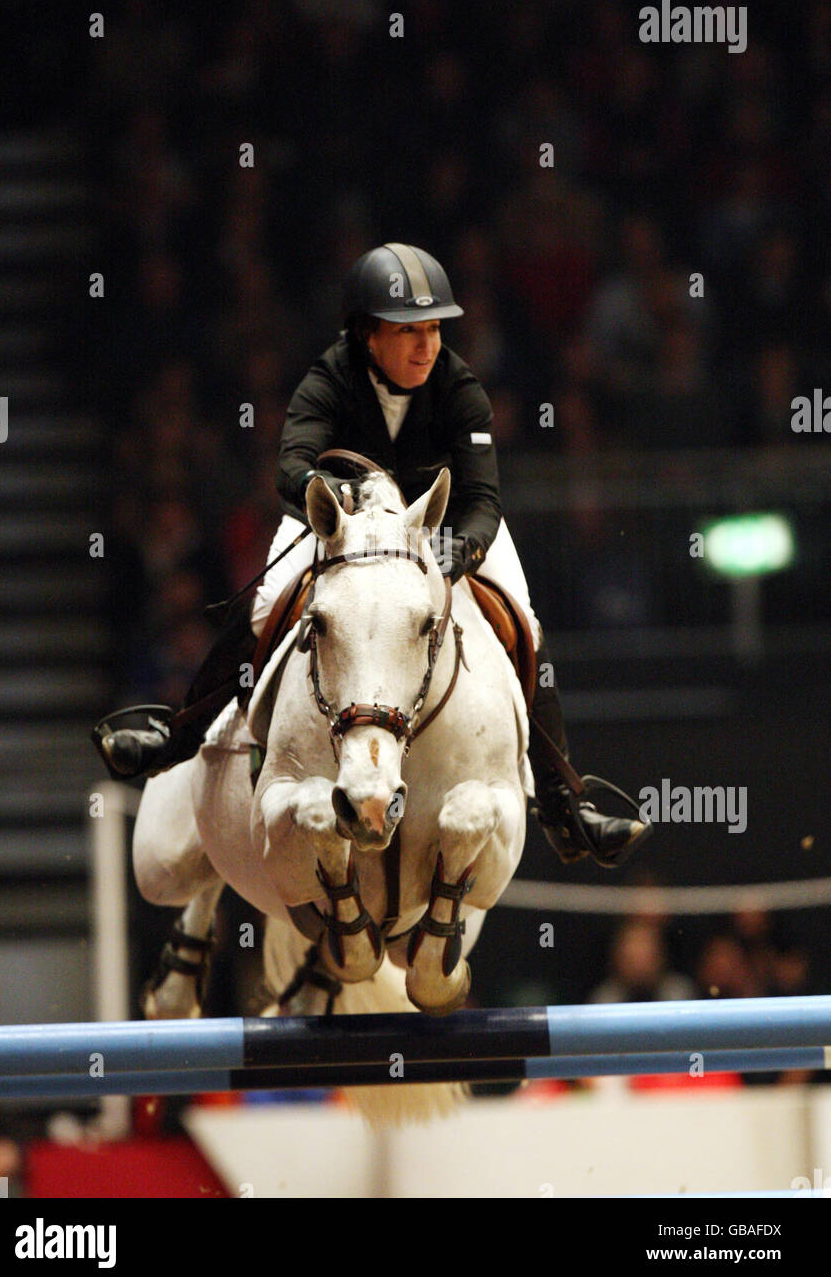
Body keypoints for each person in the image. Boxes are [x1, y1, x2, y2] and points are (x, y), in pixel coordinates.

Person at [93, 242, 651, 868]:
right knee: (264, 605)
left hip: (438, 529)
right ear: (366, 333)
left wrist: (455, 550)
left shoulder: (459, 387)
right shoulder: (329, 377)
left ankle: (561, 798)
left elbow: (483, 497)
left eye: (435, 328)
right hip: (346, 528)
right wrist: (334, 501)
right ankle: (180, 732)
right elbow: (291, 469)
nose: (427, 346)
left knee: (523, 621)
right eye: (409, 331)